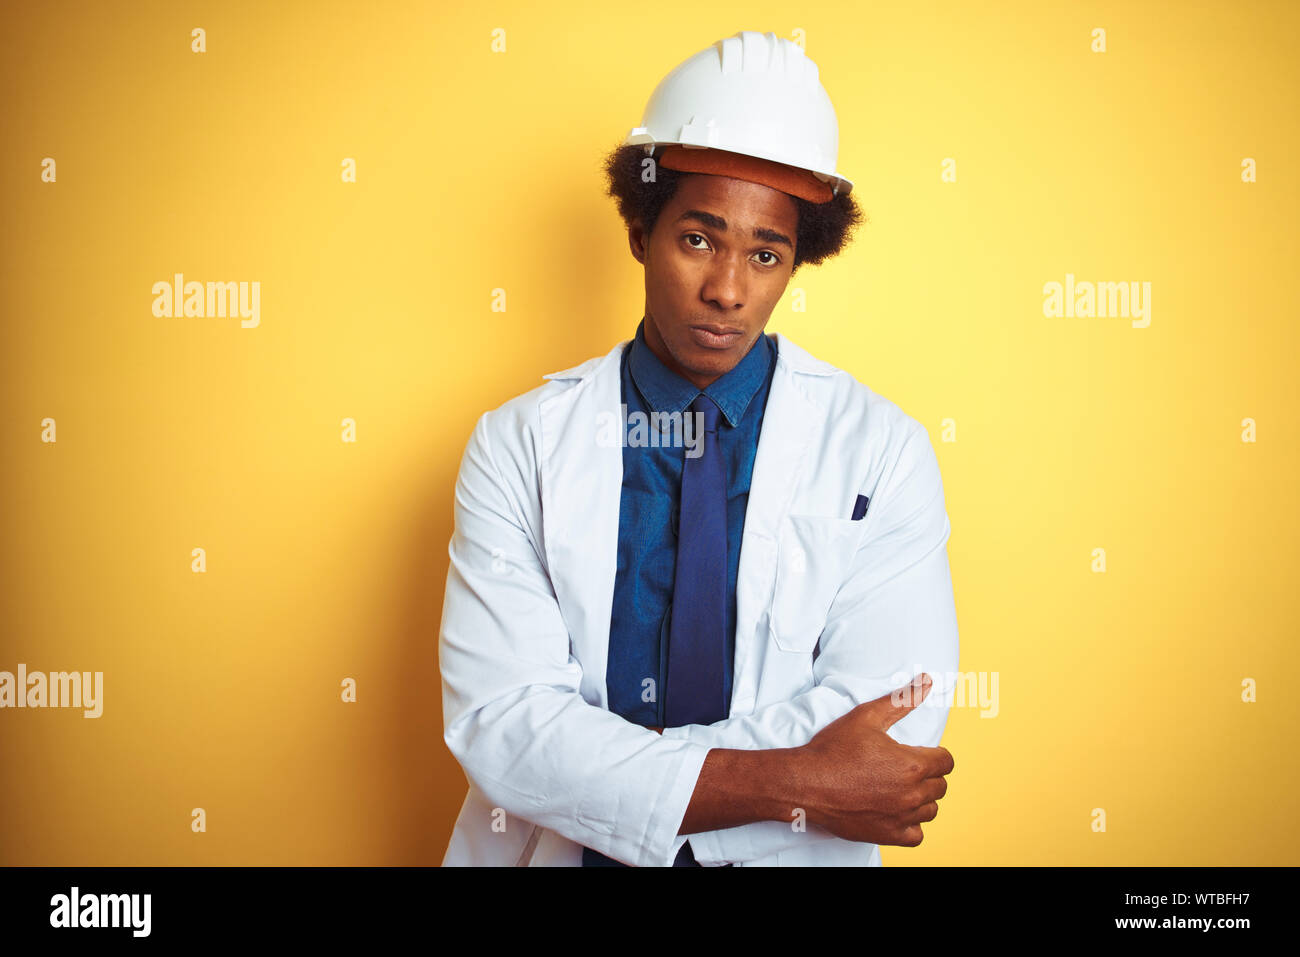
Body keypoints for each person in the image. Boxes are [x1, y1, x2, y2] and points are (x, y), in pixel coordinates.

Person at [439, 30, 958, 867]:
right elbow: (504, 729)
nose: (727, 289)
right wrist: (800, 782)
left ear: (798, 262)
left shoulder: (882, 451)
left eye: (765, 253)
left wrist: (608, 777)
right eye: (698, 239)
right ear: (641, 232)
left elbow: (891, 725)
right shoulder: (519, 444)